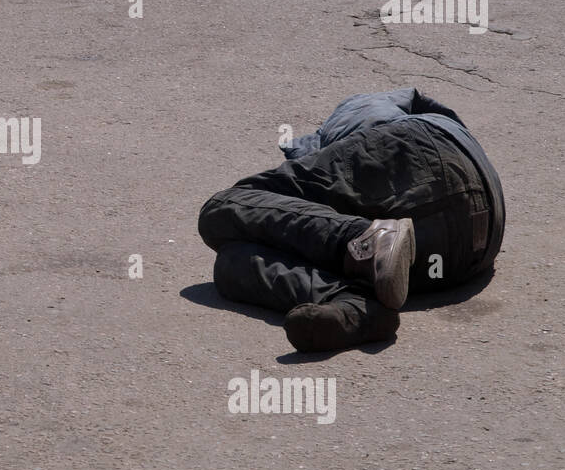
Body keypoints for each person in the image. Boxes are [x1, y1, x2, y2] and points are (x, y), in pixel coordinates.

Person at [197, 88, 505, 352]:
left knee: (222, 208)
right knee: (231, 263)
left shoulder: (362, 110)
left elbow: (291, 184)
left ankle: (365, 240)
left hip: (422, 151)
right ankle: (358, 308)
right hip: (470, 250)